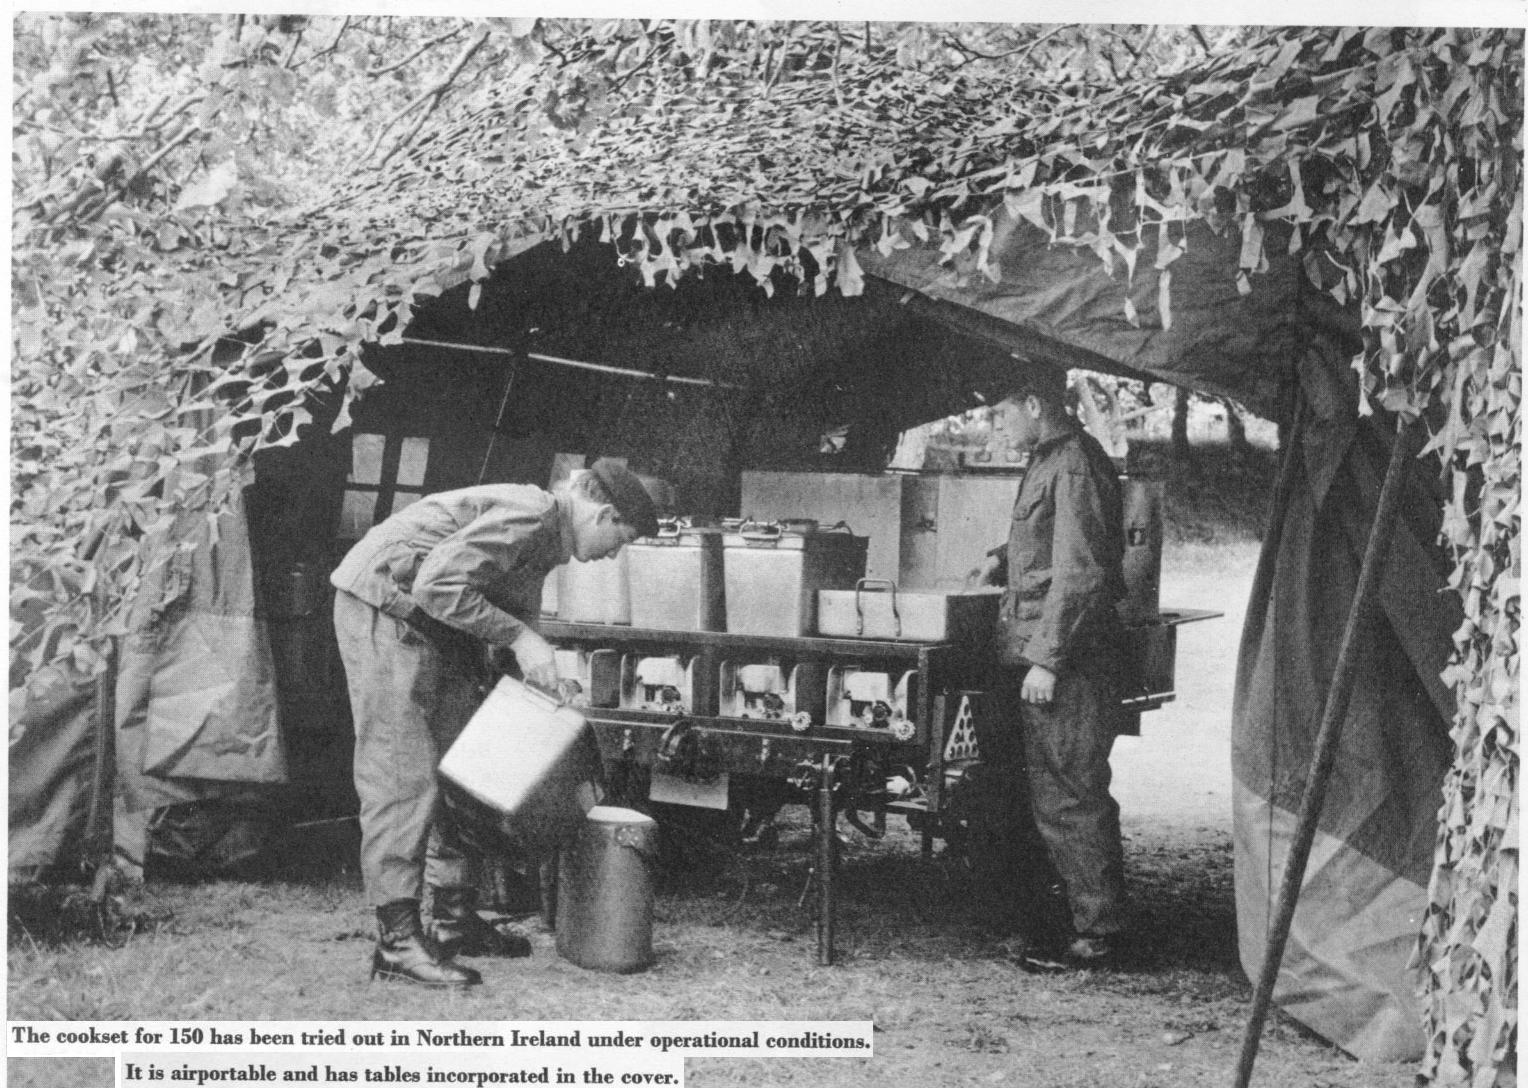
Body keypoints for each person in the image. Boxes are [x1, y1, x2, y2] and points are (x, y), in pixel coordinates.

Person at [330, 459, 662, 987]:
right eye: (620, 540)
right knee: (403, 773)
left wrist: (539, 675)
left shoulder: (549, 541)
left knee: (464, 767)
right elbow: (438, 585)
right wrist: (522, 642)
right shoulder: (531, 515)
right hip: (386, 609)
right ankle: (395, 943)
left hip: (430, 626)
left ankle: (453, 919)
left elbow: (500, 611)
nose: (613, 555)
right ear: (602, 515)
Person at [971, 367, 1129, 967]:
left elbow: (1081, 571)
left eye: (1001, 413)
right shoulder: (1048, 460)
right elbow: (1044, 546)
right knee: (1041, 789)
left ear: (1034, 405)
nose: (997, 425)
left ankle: (1100, 931)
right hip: (1038, 650)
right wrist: (998, 562)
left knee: (1070, 790)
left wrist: (1048, 661)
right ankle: (1061, 920)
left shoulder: (1074, 464)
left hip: (1069, 661)